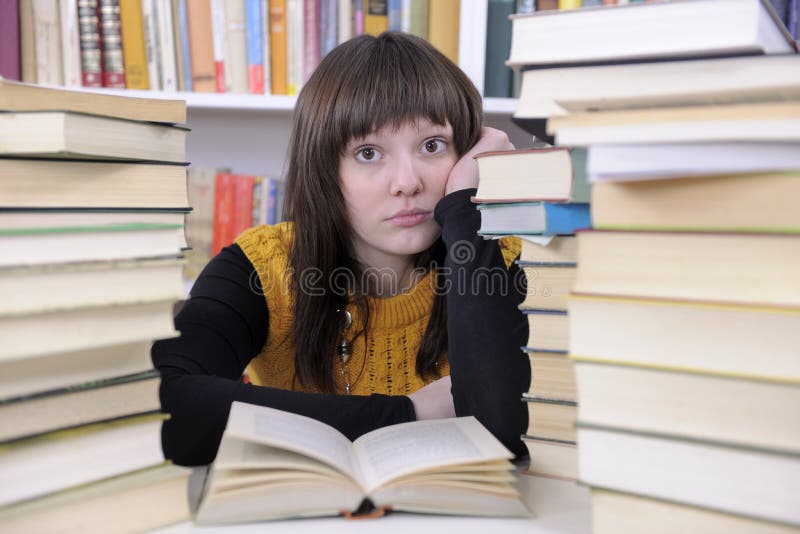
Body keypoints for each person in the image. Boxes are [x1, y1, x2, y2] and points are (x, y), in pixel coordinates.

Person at [152, 32, 530, 466]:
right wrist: (411, 412)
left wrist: (465, 209)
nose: (407, 182)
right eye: (368, 152)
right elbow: (161, 401)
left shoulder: (505, 261)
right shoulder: (263, 266)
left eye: (432, 146)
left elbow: (500, 431)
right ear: (325, 171)